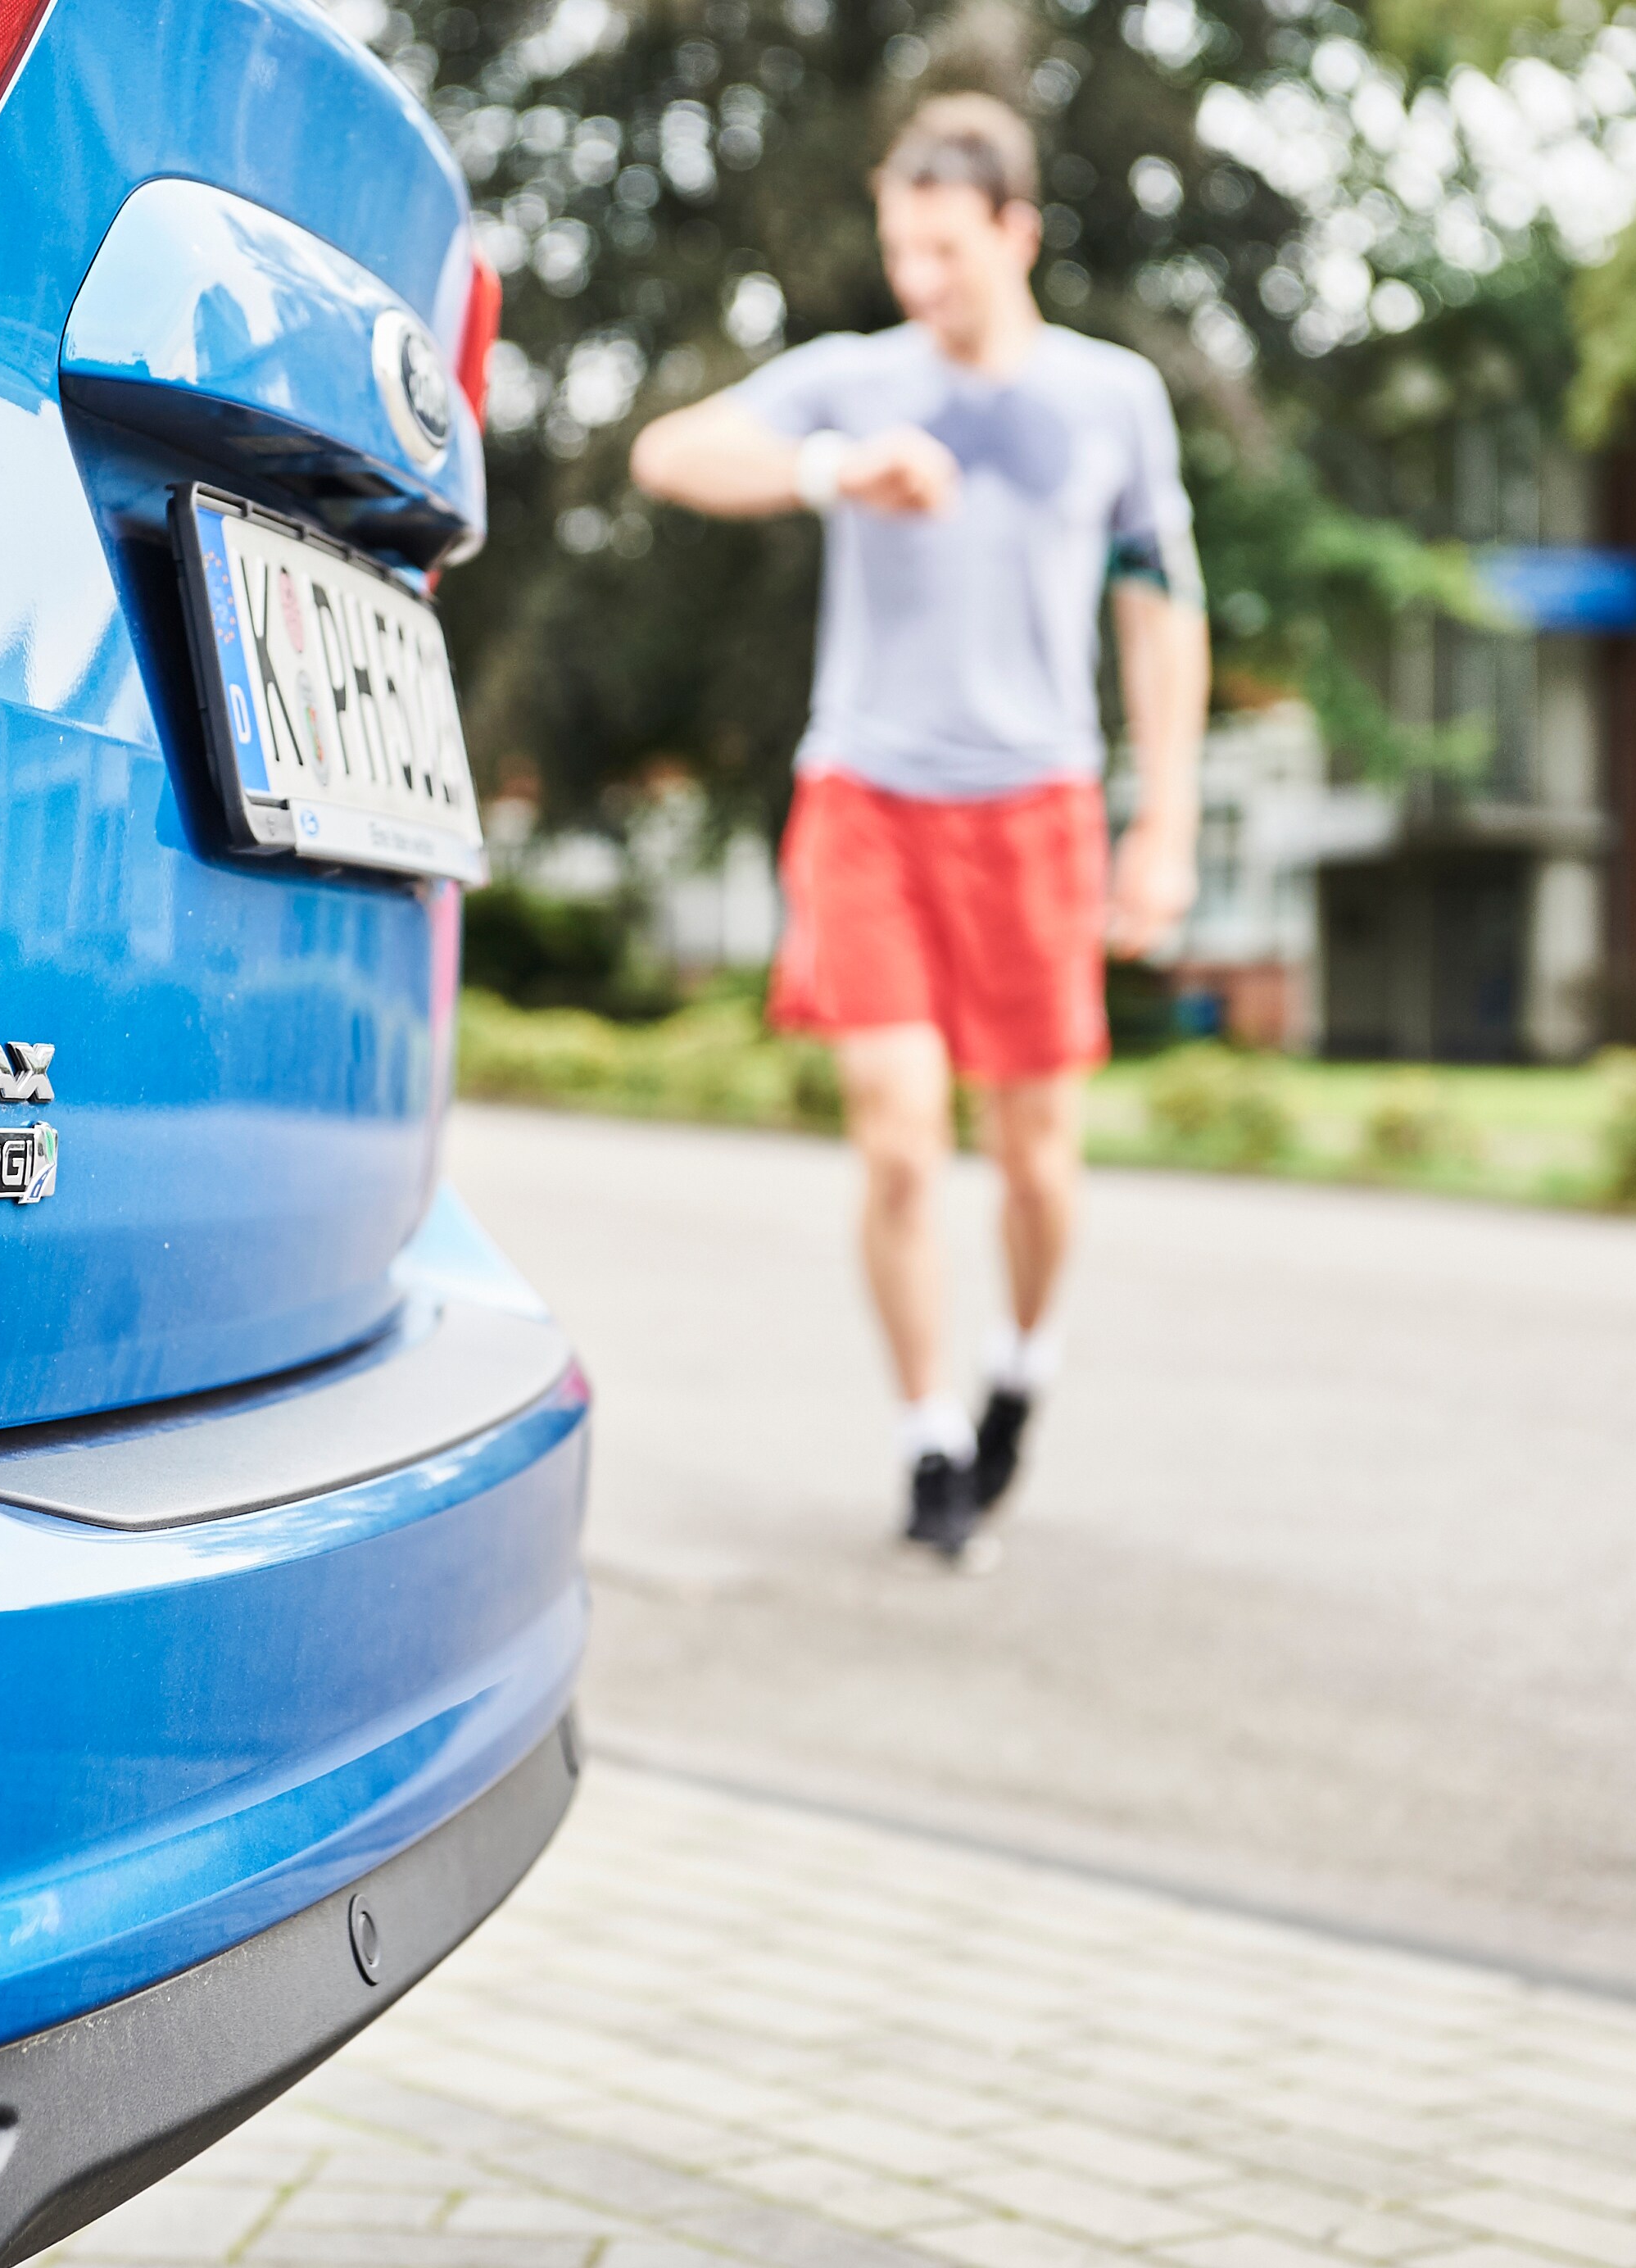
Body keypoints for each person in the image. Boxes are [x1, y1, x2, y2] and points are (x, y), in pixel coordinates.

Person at [630, 90, 1208, 1571]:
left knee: (1037, 1160)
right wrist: (836, 469)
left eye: (947, 249)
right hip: (869, 799)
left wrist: (1169, 826)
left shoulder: (1111, 400)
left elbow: (1159, 611)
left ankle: (1025, 1362)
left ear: (1019, 232)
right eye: (902, 250)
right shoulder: (853, 380)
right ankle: (929, 1436)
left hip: (1038, 807)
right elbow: (671, 456)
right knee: (898, 1144)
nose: (920, 281)